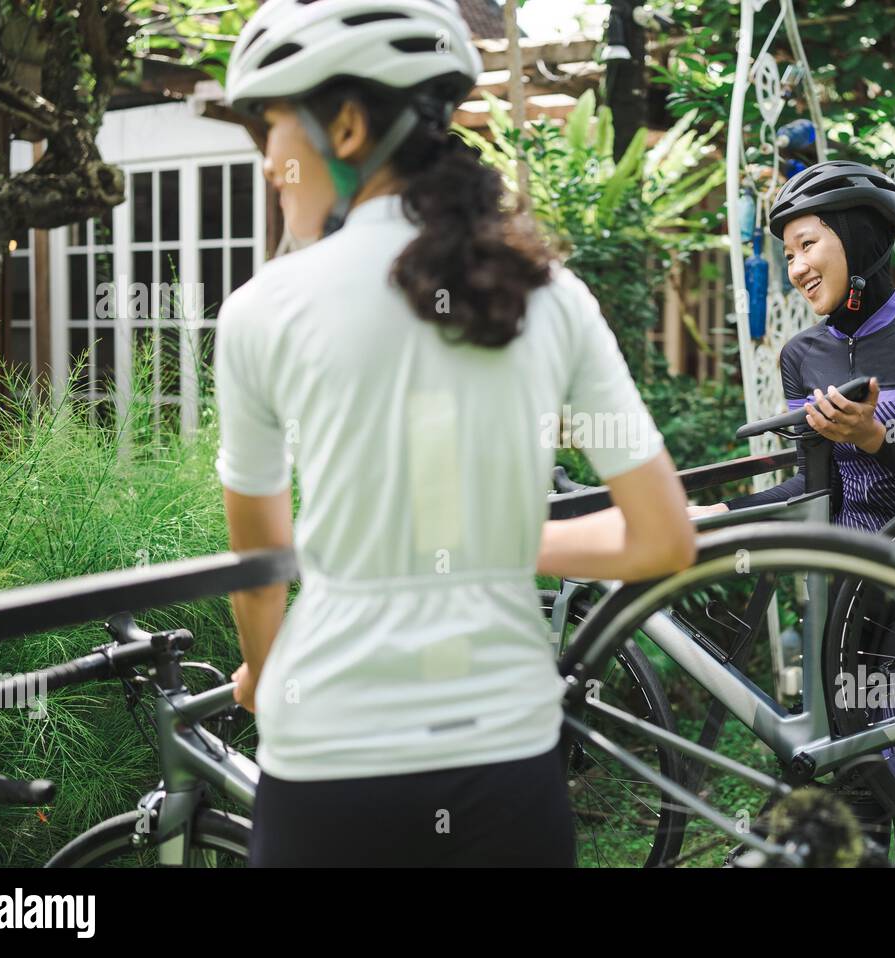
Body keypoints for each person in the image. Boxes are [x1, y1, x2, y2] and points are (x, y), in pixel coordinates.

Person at [215, 0, 696, 868]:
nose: (268, 163)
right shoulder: (553, 295)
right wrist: (494, 541)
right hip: (509, 763)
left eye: (268, 130)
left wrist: (262, 675)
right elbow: (662, 538)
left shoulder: (262, 312)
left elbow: (260, 566)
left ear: (349, 125)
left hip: (331, 762)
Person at [693, 160, 895, 863]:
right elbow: (810, 487)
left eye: (806, 245)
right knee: (852, 778)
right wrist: (719, 512)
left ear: (857, 239)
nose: (795, 266)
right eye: (787, 253)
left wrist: (875, 439)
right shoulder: (803, 358)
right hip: (842, 591)